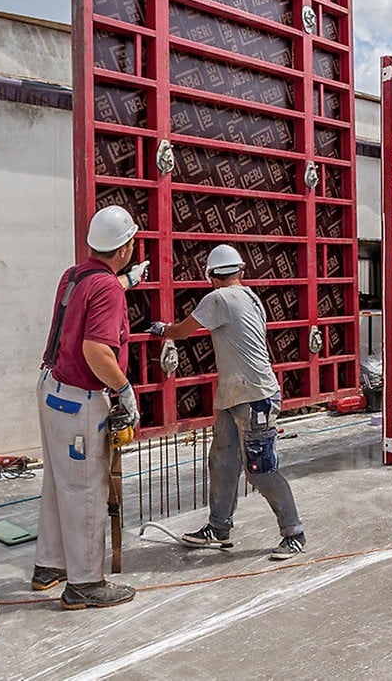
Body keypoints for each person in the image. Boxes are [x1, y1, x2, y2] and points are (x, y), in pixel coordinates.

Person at [150, 244, 306, 560]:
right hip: (234, 396)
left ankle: (294, 533)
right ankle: (218, 528)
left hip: (256, 398)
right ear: (241, 272)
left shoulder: (218, 298)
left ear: (211, 276)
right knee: (222, 462)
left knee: (259, 469)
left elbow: (182, 331)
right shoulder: (251, 297)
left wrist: (163, 329)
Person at [32, 204, 149, 609]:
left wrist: (124, 281)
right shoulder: (108, 289)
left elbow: (90, 299)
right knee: (84, 490)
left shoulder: (75, 274)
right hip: (79, 402)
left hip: (52, 389)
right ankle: (84, 584)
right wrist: (124, 389)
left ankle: (50, 566)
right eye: (132, 240)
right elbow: (97, 350)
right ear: (123, 248)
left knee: (57, 484)